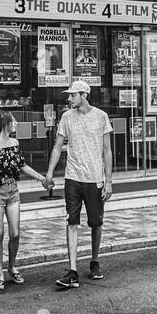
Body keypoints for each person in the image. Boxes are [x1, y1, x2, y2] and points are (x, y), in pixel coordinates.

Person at [44, 79, 113, 288]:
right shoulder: (66, 117)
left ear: (84, 95)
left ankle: (94, 261)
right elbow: (57, 147)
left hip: (95, 178)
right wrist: (49, 174)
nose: (69, 98)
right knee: (71, 221)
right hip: (72, 177)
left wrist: (108, 181)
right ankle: (72, 271)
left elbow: (107, 150)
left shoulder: (101, 117)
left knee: (96, 222)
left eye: (73, 95)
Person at [0, 110, 50, 289]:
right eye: (13, 121)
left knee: (15, 233)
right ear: (5, 124)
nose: (16, 123)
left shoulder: (15, 143)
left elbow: (23, 166)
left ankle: (12, 266)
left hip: (13, 190)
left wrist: (42, 178)